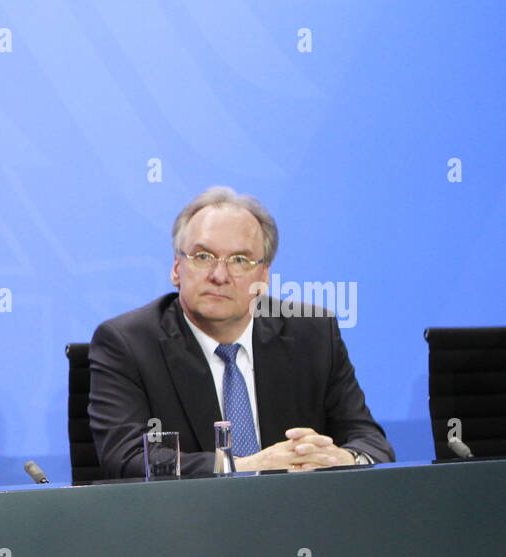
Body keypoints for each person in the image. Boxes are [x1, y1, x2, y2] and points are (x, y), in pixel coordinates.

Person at [88, 186, 394, 478]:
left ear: (263, 275)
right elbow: (127, 459)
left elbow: (370, 442)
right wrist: (242, 465)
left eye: (239, 260)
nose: (219, 275)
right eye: (203, 256)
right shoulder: (127, 343)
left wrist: (341, 459)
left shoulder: (312, 335)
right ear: (176, 268)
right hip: (183, 524)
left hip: (298, 521)